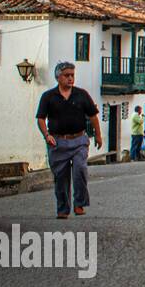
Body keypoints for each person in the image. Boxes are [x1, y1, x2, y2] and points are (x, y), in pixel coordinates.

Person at [35, 62, 102, 219]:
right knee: (61, 177)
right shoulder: (48, 97)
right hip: (57, 142)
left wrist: (98, 135)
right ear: (58, 77)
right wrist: (47, 135)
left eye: (72, 75)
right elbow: (40, 118)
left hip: (78, 139)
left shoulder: (82, 94)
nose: (70, 78)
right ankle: (63, 209)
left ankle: (79, 203)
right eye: (67, 75)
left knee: (80, 170)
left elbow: (93, 116)